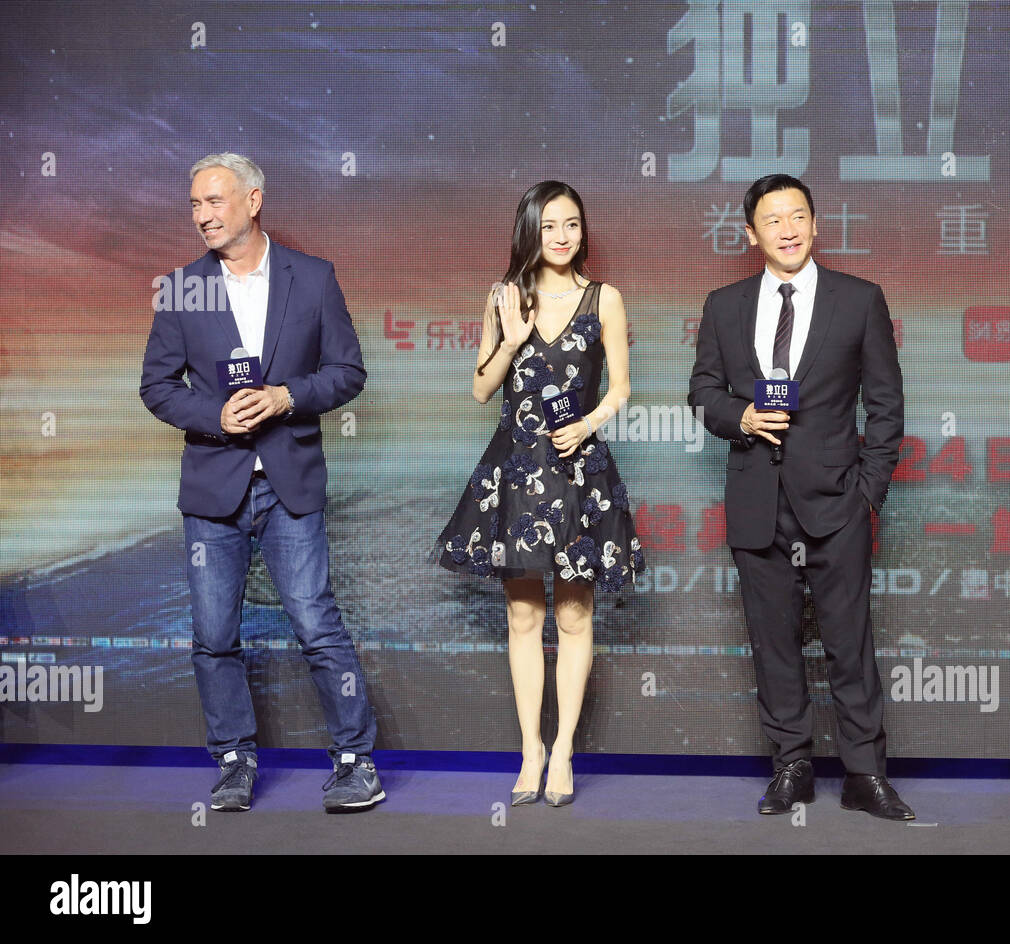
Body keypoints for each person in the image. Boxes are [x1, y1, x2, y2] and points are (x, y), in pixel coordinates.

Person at [140, 152, 383, 813]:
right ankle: (233, 762)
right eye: (193, 205)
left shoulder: (313, 278)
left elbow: (348, 372)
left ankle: (356, 761)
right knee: (213, 633)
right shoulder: (183, 288)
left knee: (315, 622)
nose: (202, 215)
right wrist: (215, 415)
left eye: (213, 201)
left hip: (290, 483)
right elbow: (156, 387)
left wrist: (284, 397)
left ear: (253, 200)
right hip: (213, 491)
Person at [688, 173, 913, 820]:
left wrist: (866, 493)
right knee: (774, 643)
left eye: (797, 216)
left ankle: (866, 774)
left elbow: (887, 406)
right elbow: (702, 392)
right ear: (750, 233)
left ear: (815, 225)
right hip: (758, 499)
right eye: (772, 219)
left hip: (837, 502)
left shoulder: (859, 300)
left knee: (850, 642)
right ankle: (792, 768)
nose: (786, 228)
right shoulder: (724, 305)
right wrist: (744, 419)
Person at [434, 180, 644, 807]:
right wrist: (513, 338)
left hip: (578, 472)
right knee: (523, 616)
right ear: (530, 229)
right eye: (550, 224)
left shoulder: (604, 299)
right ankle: (530, 750)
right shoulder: (504, 296)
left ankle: (564, 752)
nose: (562, 235)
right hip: (515, 474)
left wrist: (588, 423)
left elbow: (621, 390)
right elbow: (480, 388)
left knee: (575, 616)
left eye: (572, 224)